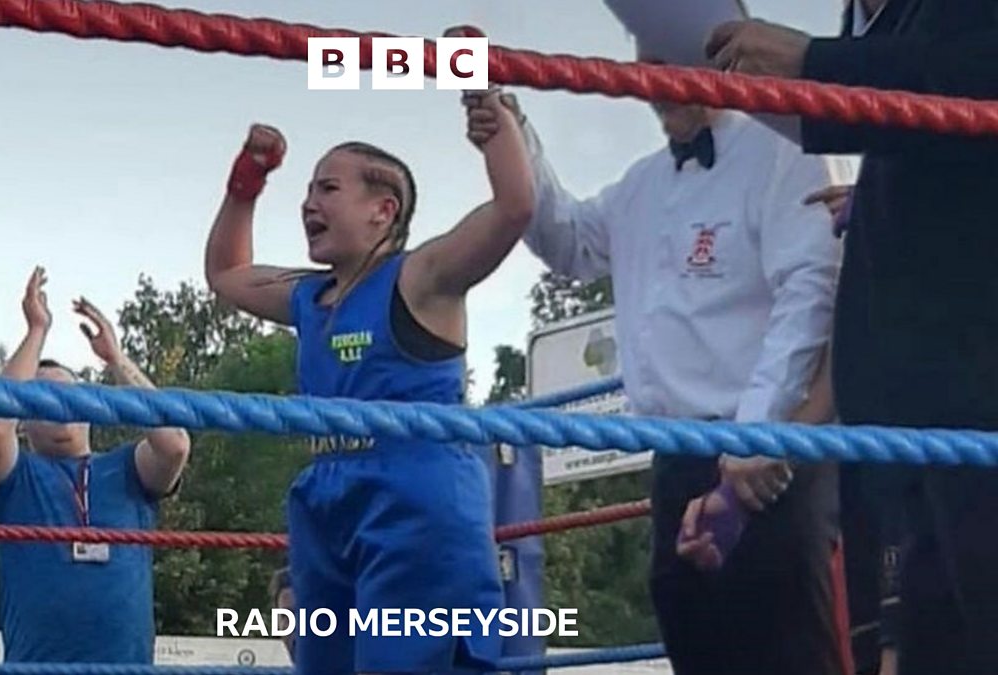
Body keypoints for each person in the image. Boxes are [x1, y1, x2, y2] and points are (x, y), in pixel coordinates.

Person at [464, 39, 848, 674]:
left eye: (674, 65)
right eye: (651, 67)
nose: (659, 84)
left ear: (721, 62)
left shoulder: (786, 150)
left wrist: (756, 435)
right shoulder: (641, 184)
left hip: (771, 451)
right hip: (675, 457)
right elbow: (567, 241)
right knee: (695, 646)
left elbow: (808, 296)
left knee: (789, 652)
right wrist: (512, 127)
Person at [202, 63, 533, 673]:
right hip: (327, 497)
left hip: (418, 495)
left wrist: (488, 106)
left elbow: (514, 208)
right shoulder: (309, 296)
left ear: (383, 210)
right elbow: (226, 275)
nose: (308, 202)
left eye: (328, 188)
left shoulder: (423, 277)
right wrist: (246, 182)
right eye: (307, 190)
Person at [707, 3, 998, 674]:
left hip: (973, 407)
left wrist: (814, 66)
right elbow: (946, 145)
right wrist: (871, 201)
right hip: (904, 430)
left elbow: (976, 72)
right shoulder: (878, 18)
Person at [0, 266, 192, 663]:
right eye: (42, 399)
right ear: (24, 419)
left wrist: (116, 359)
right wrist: (37, 330)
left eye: (70, 397)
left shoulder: (127, 468)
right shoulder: (13, 479)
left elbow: (174, 444)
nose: (59, 409)